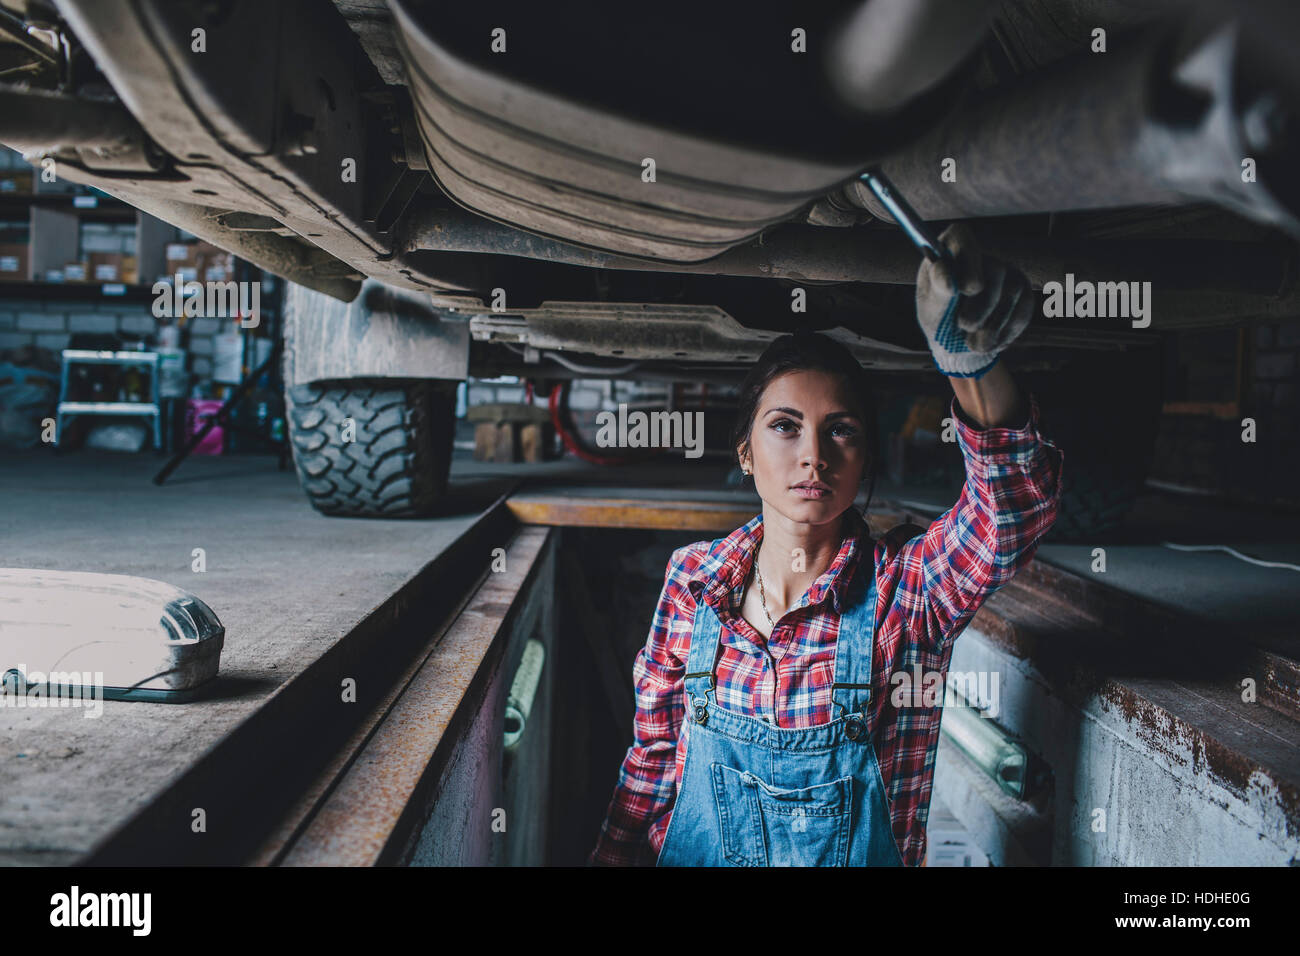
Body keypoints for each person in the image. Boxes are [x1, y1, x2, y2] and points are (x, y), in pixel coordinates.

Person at [588, 224, 1065, 866]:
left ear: (864, 457)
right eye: (785, 426)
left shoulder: (908, 591)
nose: (812, 454)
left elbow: (1009, 514)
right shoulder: (694, 582)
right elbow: (650, 763)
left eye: (840, 431)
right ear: (746, 453)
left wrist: (967, 360)